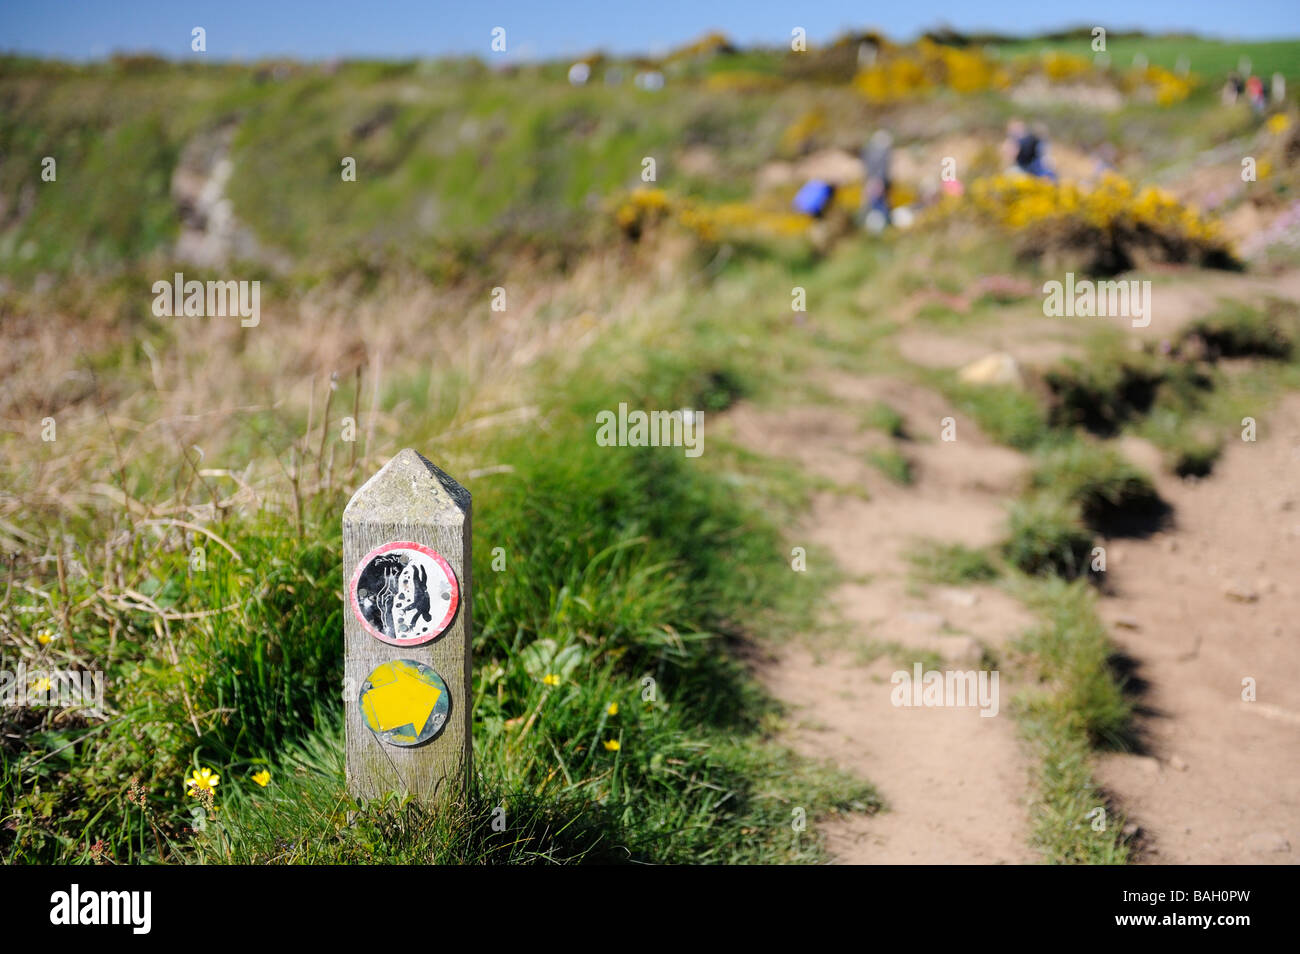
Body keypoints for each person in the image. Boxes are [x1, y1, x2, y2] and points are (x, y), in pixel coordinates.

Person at [859, 130, 894, 232]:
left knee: (871, 204)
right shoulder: (880, 152)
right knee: (877, 205)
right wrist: (878, 180)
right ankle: (879, 228)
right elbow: (879, 169)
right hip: (877, 182)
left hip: (872, 181)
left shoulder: (869, 150)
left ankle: (867, 227)